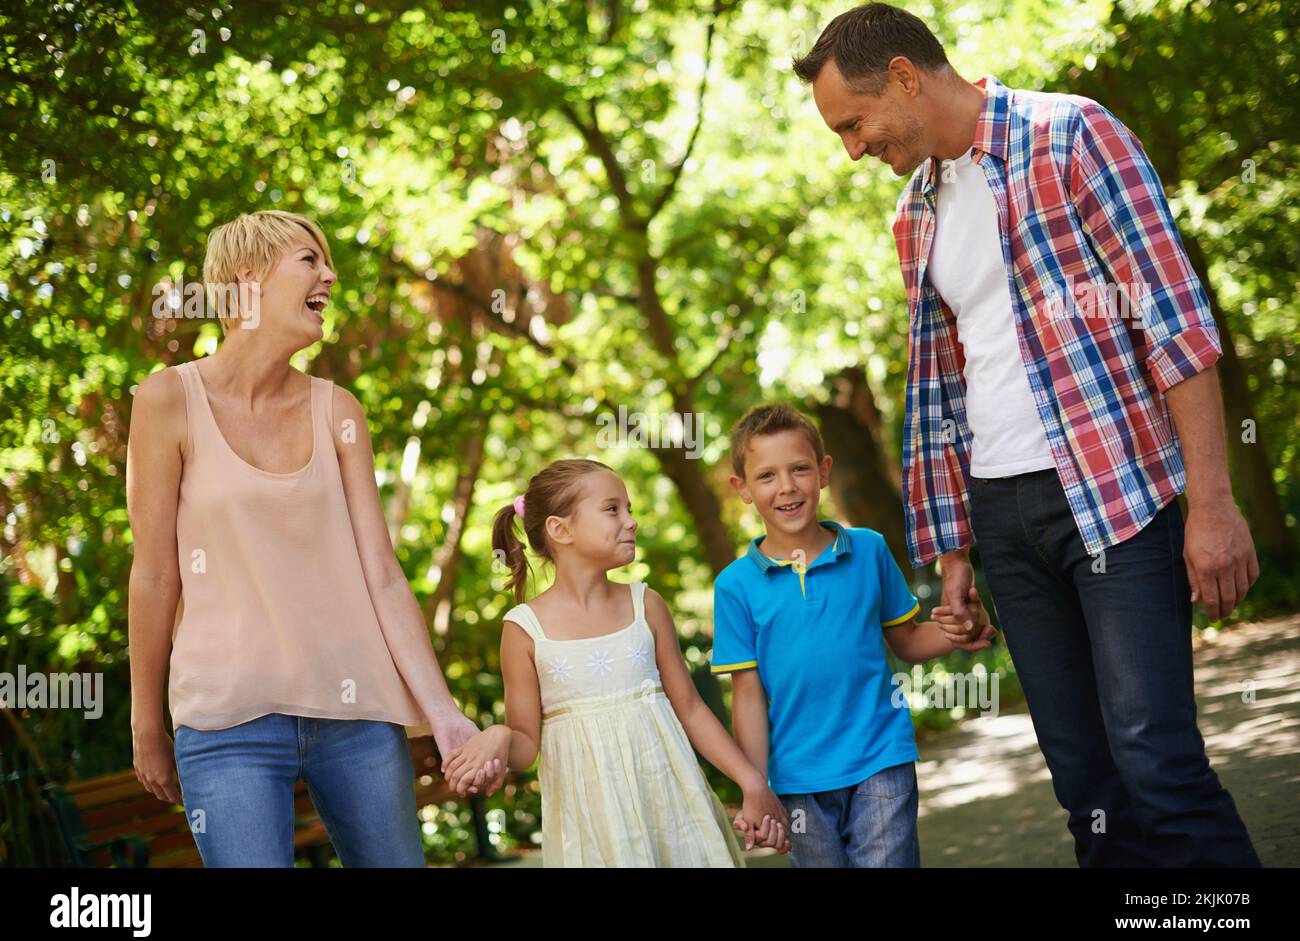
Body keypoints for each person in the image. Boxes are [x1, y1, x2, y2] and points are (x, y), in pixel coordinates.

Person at [794, 2, 1260, 865]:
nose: (853, 148)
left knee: (1155, 759)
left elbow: (1178, 324)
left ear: (903, 75)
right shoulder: (915, 213)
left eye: (854, 124)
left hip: (1113, 496)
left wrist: (1214, 504)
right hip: (1004, 521)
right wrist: (957, 555)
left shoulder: (1072, 135)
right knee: (1086, 787)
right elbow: (940, 390)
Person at [126, 209, 486, 867]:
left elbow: (380, 571)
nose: (331, 275)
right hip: (224, 723)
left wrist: (444, 712)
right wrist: (146, 721)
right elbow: (153, 573)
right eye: (309, 261)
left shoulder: (338, 410)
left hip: (356, 715)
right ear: (249, 279)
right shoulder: (166, 401)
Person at [440, 458, 790, 866]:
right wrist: (499, 735)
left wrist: (752, 783)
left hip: (676, 812)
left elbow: (691, 710)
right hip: (594, 833)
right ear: (560, 528)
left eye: (630, 509)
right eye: (612, 509)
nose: (630, 521)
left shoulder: (646, 606)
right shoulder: (524, 629)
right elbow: (525, 749)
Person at [710, 404, 993, 867]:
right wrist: (755, 786)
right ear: (741, 488)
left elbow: (908, 641)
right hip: (796, 779)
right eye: (766, 476)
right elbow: (747, 695)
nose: (786, 487)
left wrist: (961, 631)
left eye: (800, 469)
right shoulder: (734, 587)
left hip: (880, 755)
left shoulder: (868, 550)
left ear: (823, 473)